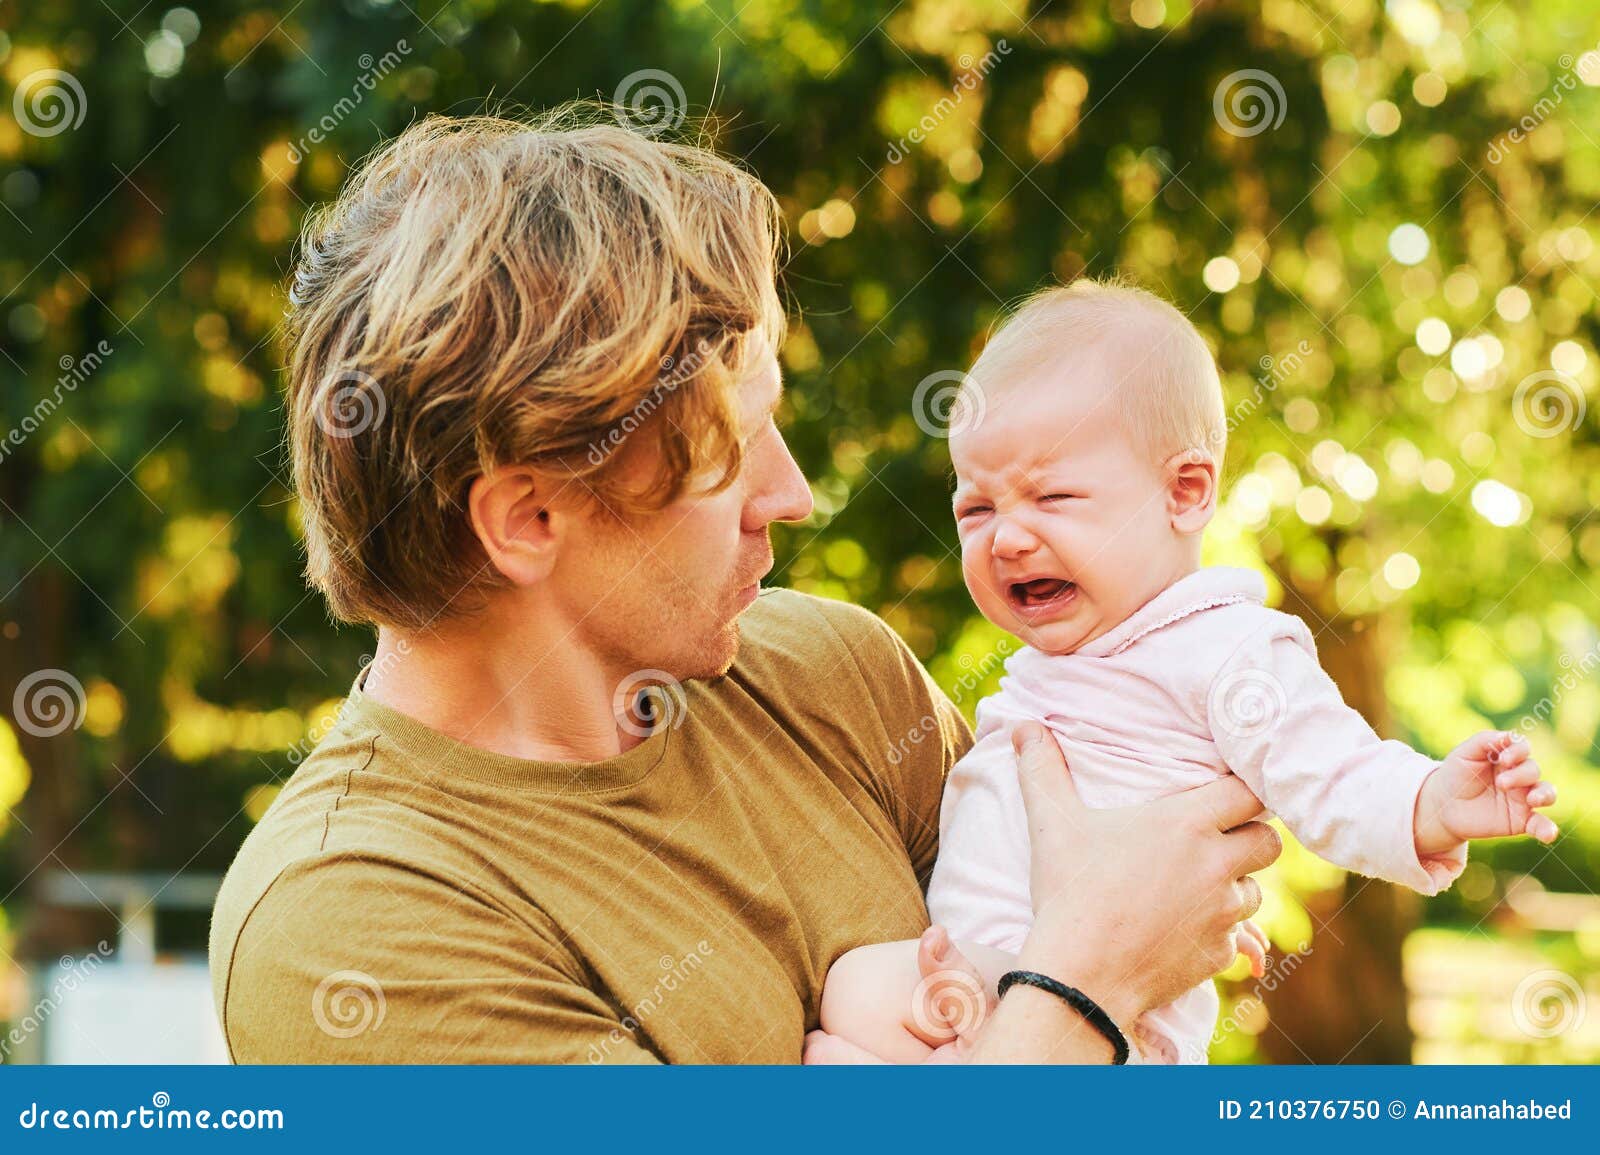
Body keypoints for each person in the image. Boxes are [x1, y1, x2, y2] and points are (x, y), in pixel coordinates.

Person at [208, 109, 1281, 1064]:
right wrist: (1083, 988)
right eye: (732, 447)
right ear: (530, 518)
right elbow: (1103, 948)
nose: (793, 494)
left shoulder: (838, 679)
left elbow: (1134, 890)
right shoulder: (351, 927)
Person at [810, 279, 1559, 1065]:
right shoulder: (1056, 661)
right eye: (976, 510)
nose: (1006, 538)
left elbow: (1333, 769)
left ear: (1185, 492)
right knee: (848, 995)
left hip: (1112, 1024)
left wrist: (1433, 799)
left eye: (1052, 496)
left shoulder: (1224, 648)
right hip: (976, 994)